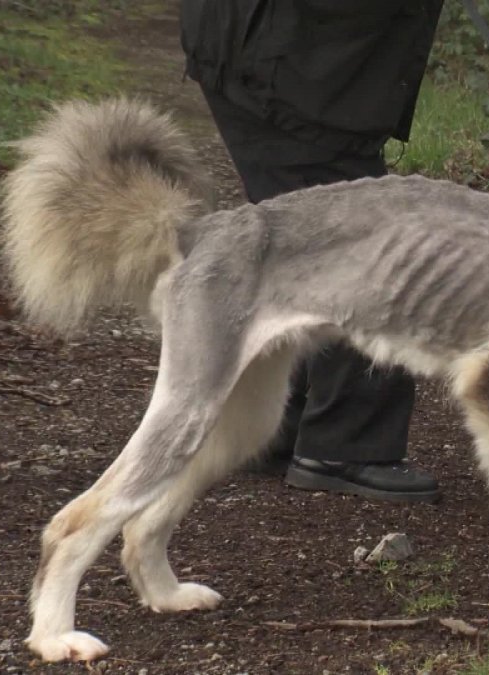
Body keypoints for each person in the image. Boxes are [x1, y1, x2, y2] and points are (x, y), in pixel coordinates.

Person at [178, 0, 445, 503]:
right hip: (287, 66)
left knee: (303, 244)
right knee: (366, 242)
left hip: (284, 58)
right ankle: (346, 443)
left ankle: (281, 428)